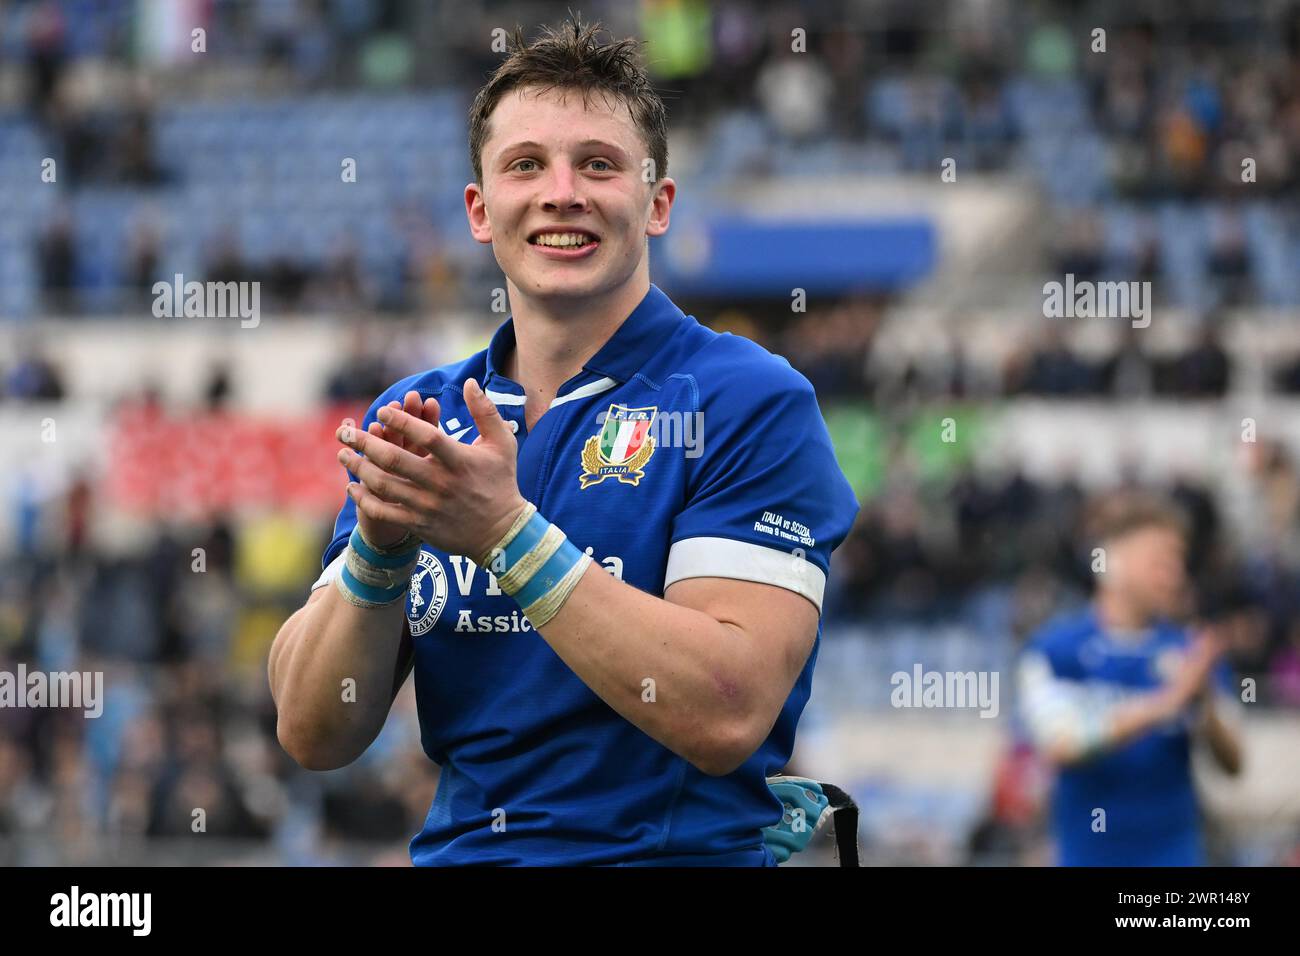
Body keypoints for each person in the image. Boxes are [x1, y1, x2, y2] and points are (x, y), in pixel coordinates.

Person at [268, 16, 859, 866]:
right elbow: (312, 731)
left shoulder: (747, 400)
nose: (562, 192)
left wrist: (504, 535)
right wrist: (379, 550)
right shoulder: (421, 414)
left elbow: (726, 712)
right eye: (525, 166)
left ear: (657, 204)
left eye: (599, 164)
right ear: (480, 210)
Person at [1016, 493, 1244, 866]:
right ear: (1112, 564)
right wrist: (1165, 704)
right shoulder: (1056, 650)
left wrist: (1204, 704)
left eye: (1177, 562)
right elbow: (1060, 743)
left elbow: (1234, 765)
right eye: (1159, 561)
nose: (1174, 575)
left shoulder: (1191, 653)